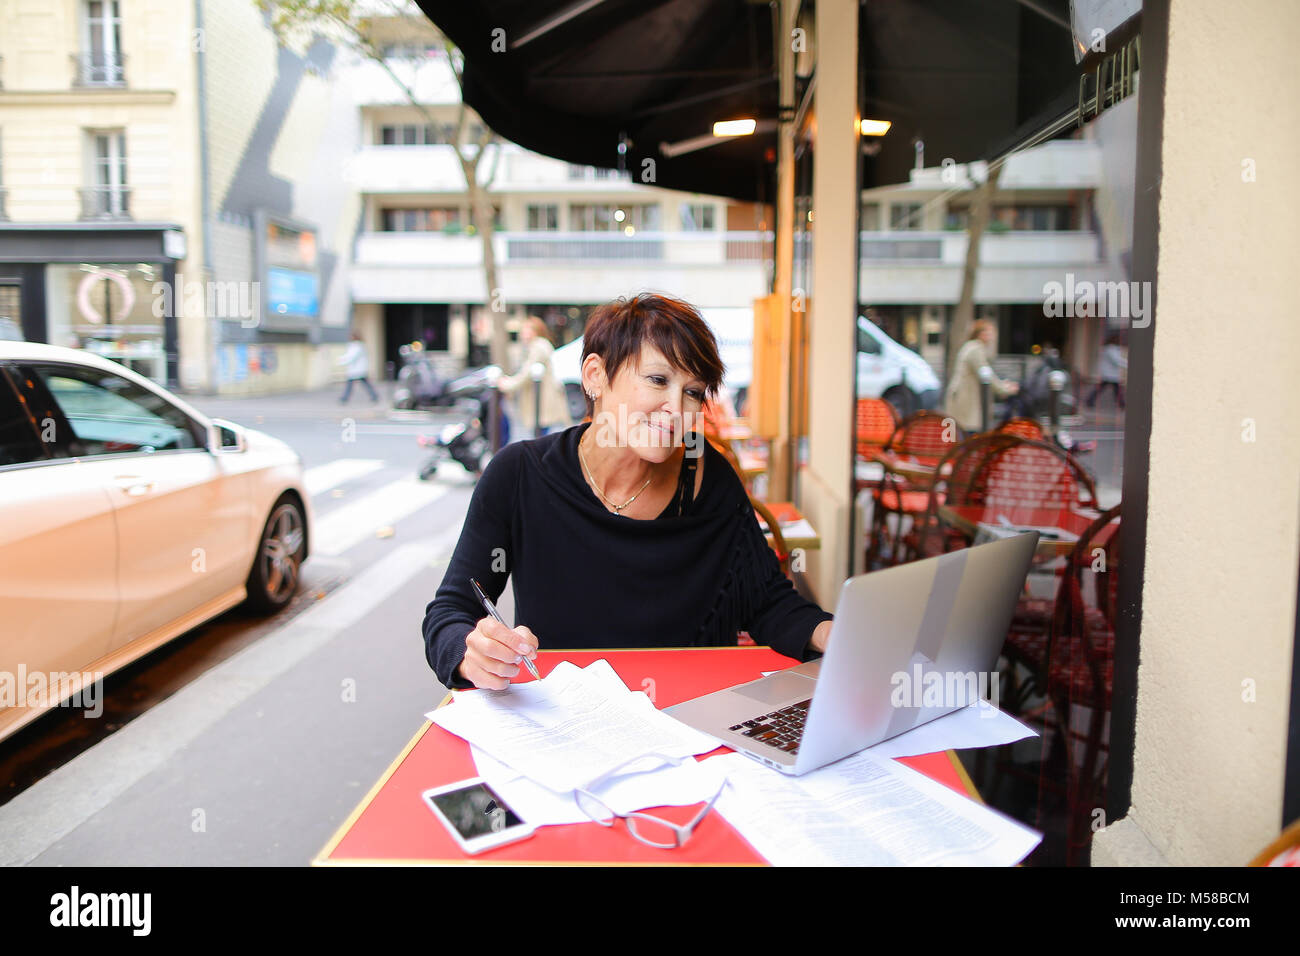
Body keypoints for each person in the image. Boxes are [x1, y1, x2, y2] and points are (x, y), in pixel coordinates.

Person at [422, 294, 834, 690]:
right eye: (658, 380)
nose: (676, 408)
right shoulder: (520, 475)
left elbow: (765, 603)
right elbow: (452, 611)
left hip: (691, 718)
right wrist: (470, 651)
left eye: (692, 392)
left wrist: (832, 633)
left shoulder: (709, 477)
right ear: (595, 376)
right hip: (567, 724)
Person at [495, 316, 571, 437]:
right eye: (523, 331)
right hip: (543, 398)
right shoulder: (538, 345)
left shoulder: (538, 347)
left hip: (542, 399)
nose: (523, 334)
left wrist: (508, 384)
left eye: (527, 330)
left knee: (540, 435)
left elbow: (527, 373)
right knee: (541, 434)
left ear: (536, 331)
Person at [945, 319, 1018, 433]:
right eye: (990, 333)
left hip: (963, 397)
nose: (992, 337)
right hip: (966, 399)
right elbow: (985, 374)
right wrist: (1003, 389)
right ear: (981, 334)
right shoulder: (976, 349)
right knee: (969, 432)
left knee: (962, 433)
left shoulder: (970, 346)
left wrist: (1002, 386)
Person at [1087, 333, 1127, 409]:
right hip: (1109, 374)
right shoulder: (1110, 349)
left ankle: (1090, 401)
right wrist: (1128, 364)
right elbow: (1116, 361)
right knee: (1112, 390)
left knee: (1112, 390)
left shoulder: (1113, 349)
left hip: (1111, 374)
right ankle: (1122, 404)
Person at [338, 331, 378, 404]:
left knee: (354, 384)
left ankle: (344, 398)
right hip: (355, 370)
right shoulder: (354, 346)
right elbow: (349, 355)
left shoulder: (358, 346)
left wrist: (343, 361)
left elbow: (352, 357)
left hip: (357, 369)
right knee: (361, 384)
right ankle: (374, 396)